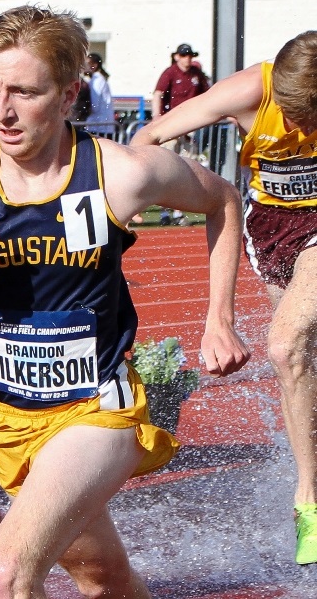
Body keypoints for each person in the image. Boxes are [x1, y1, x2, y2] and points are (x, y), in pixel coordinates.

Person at [0, 5, 250, 597]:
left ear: (69, 92)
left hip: (94, 406)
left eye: (24, 91)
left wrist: (219, 319)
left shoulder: (120, 173)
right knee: (102, 579)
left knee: (6, 571)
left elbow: (224, 201)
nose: (3, 110)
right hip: (4, 410)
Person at [130, 30, 317, 565]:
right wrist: (145, 190)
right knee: (303, 362)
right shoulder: (246, 90)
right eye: (291, 111)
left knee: (284, 345)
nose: (299, 125)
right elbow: (149, 135)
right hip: (273, 228)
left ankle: (308, 498)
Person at [151, 43, 212, 225]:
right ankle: (164, 211)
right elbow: (158, 93)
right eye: (184, 55)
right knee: (166, 168)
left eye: (190, 56)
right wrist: (156, 116)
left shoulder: (196, 75)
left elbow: (208, 95)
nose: (187, 59)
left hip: (189, 128)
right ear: (177, 56)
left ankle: (178, 211)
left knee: (186, 170)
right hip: (170, 127)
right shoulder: (170, 72)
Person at [85, 52, 115, 138]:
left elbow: (95, 105)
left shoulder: (97, 81)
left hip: (99, 125)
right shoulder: (96, 79)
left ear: (94, 65)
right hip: (101, 125)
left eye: (86, 64)